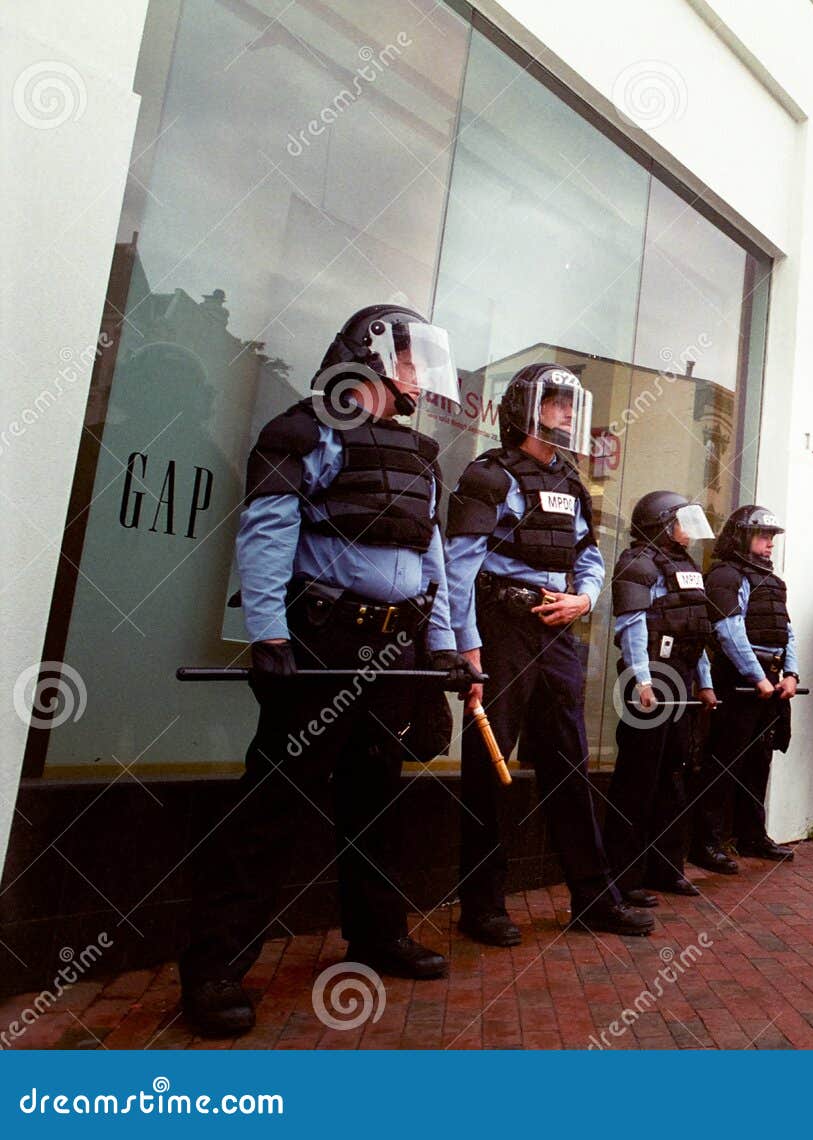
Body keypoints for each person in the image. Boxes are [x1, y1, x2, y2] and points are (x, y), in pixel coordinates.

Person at [181, 305, 477, 1037]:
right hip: (325, 643)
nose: (420, 377)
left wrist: (441, 647)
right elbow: (268, 529)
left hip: (396, 649)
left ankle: (376, 935)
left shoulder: (418, 456)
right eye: (409, 360)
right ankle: (215, 967)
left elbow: (430, 560)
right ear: (370, 356)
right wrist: (269, 637)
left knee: (376, 798)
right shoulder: (303, 430)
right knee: (274, 805)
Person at [445, 363, 653, 944]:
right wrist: (468, 649)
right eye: (556, 402)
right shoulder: (489, 475)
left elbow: (588, 558)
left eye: (570, 403)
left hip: (557, 631)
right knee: (489, 768)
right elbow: (458, 568)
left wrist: (583, 600)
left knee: (570, 763)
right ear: (526, 409)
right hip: (499, 628)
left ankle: (593, 898)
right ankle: (482, 906)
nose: (567, 412)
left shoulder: (571, 482)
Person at [604, 492, 719, 900]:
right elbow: (632, 626)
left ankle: (666, 868)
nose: (689, 531)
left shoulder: (687, 567)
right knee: (637, 779)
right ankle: (624, 878)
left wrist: (704, 682)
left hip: (681, 678)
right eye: (682, 521)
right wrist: (641, 680)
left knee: (673, 774)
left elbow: (696, 631)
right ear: (662, 525)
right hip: (651, 678)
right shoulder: (638, 563)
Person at [689, 505, 800, 870]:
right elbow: (729, 631)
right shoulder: (725, 575)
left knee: (759, 760)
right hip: (737, 680)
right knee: (723, 761)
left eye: (772, 537)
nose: (770, 543)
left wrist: (791, 674)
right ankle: (706, 843)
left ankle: (751, 836)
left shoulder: (772, 580)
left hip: (770, 681)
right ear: (741, 537)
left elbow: (787, 631)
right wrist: (757, 677)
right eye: (763, 536)